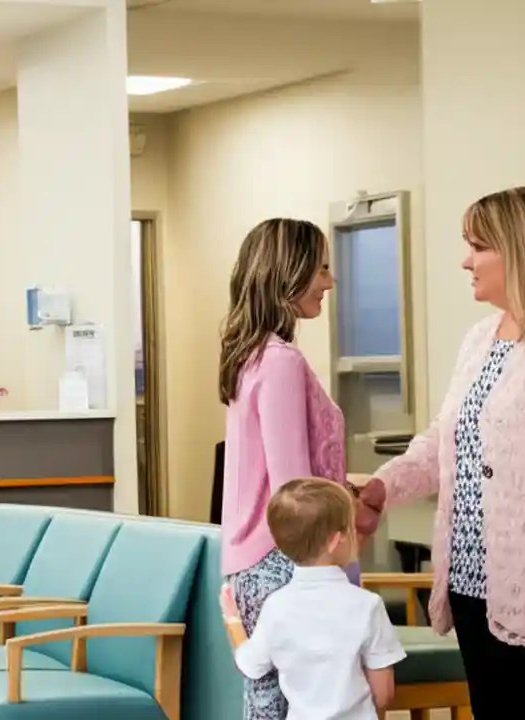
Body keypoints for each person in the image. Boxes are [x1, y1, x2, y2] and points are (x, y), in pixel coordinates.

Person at [356, 186, 525, 718]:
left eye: (478, 246)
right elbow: (443, 440)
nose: (467, 261)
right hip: (470, 582)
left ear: (520, 250)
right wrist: (382, 487)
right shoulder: (480, 338)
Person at [217, 217, 357, 720]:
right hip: (287, 561)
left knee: (270, 704)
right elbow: (294, 491)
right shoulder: (279, 361)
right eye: (320, 269)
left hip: (256, 561)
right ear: (287, 273)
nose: (330, 282)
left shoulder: (251, 355)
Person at [220, 478, 406, 720]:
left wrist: (233, 620)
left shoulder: (276, 607)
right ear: (335, 540)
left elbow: (251, 666)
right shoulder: (368, 605)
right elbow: (384, 694)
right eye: (351, 528)